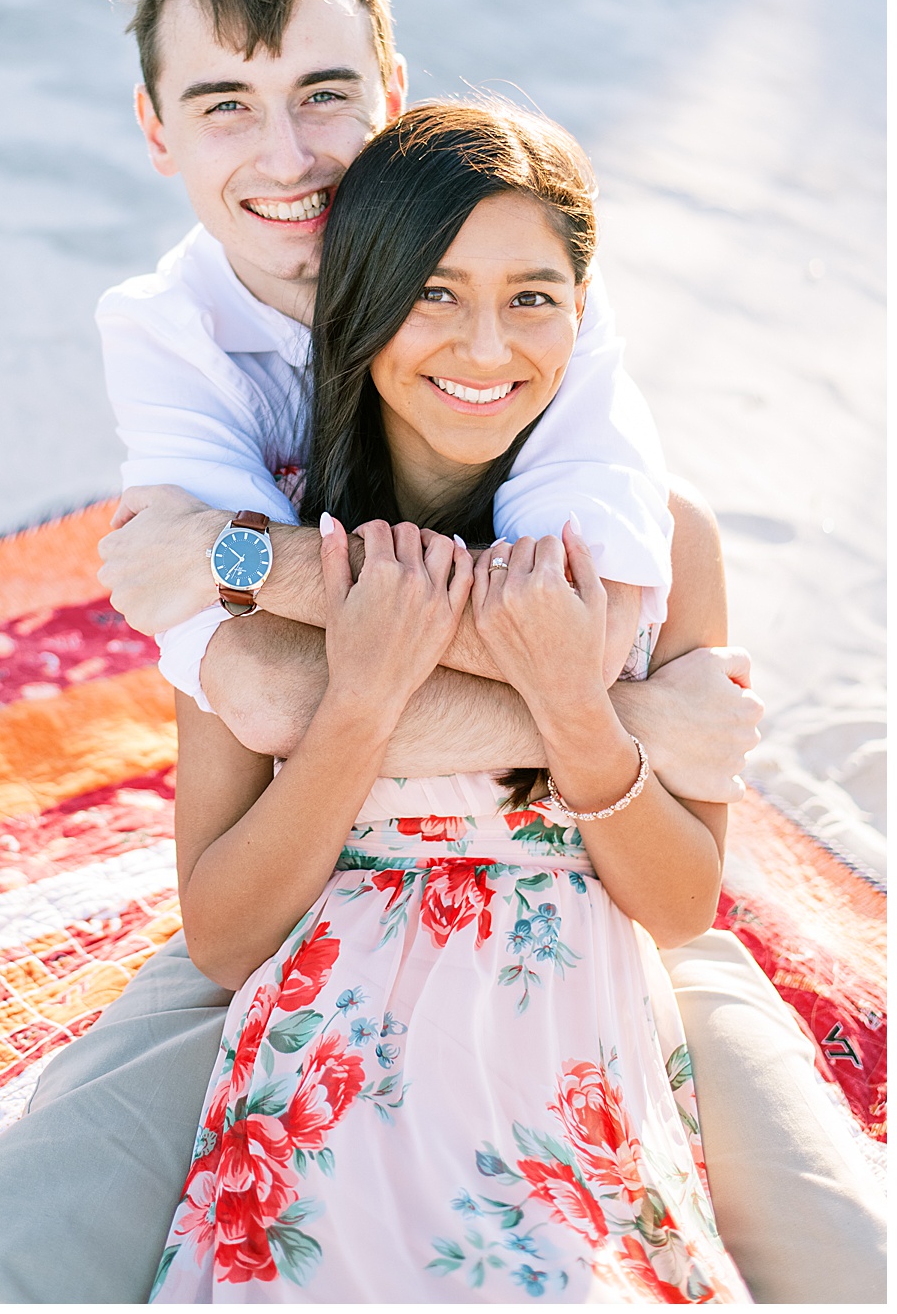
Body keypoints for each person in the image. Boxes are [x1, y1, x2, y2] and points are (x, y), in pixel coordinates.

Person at [0, 0, 882, 1302]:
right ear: (156, 130)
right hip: (311, 933)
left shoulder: (569, 371)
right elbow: (248, 700)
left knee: (840, 1260)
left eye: (325, 96)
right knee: (1, 1262)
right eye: (226, 102)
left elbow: (666, 848)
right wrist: (605, 708)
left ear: (394, 92)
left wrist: (592, 708)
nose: (288, 155)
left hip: (599, 951)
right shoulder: (177, 355)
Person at [153, 98, 742, 1300]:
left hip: (574, 1044)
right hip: (334, 1037)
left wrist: (580, 712)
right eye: (434, 291)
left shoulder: (657, 547)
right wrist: (361, 704)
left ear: (584, 315)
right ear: (360, 300)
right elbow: (217, 935)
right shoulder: (264, 537)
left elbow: (682, 905)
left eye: (533, 296)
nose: (487, 347)